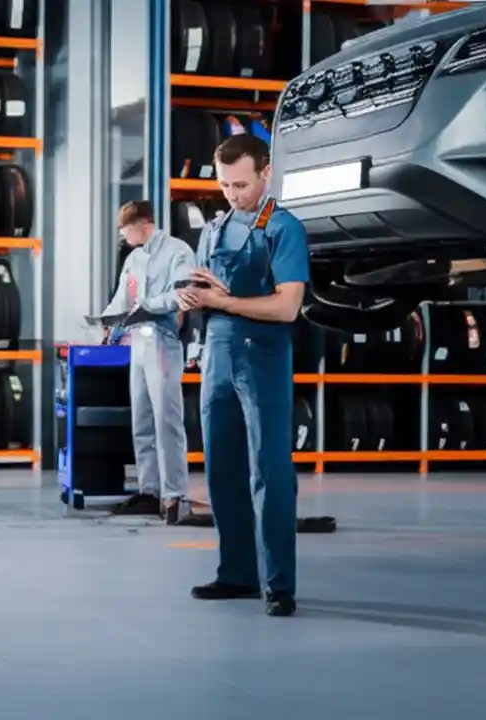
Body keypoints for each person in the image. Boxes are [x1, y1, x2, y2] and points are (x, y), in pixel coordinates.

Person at [176, 134, 310, 617]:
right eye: (225, 185)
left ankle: (279, 584)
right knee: (223, 471)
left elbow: (288, 306)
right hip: (216, 357)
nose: (233, 194)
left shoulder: (284, 229)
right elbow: (208, 289)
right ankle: (236, 574)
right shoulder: (213, 230)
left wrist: (223, 301)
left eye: (241, 184)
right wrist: (190, 297)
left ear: (266, 173)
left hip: (263, 360)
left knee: (270, 473)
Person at [99, 200, 197, 525]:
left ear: (142, 224)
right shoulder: (133, 258)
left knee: (166, 419)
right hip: (136, 343)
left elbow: (185, 293)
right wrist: (108, 322)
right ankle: (149, 490)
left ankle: (174, 494)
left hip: (162, 340)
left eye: (124, 230)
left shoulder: (177, 251)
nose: (123, 236)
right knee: (141, 420)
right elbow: (121, 298)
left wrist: (148, 305)